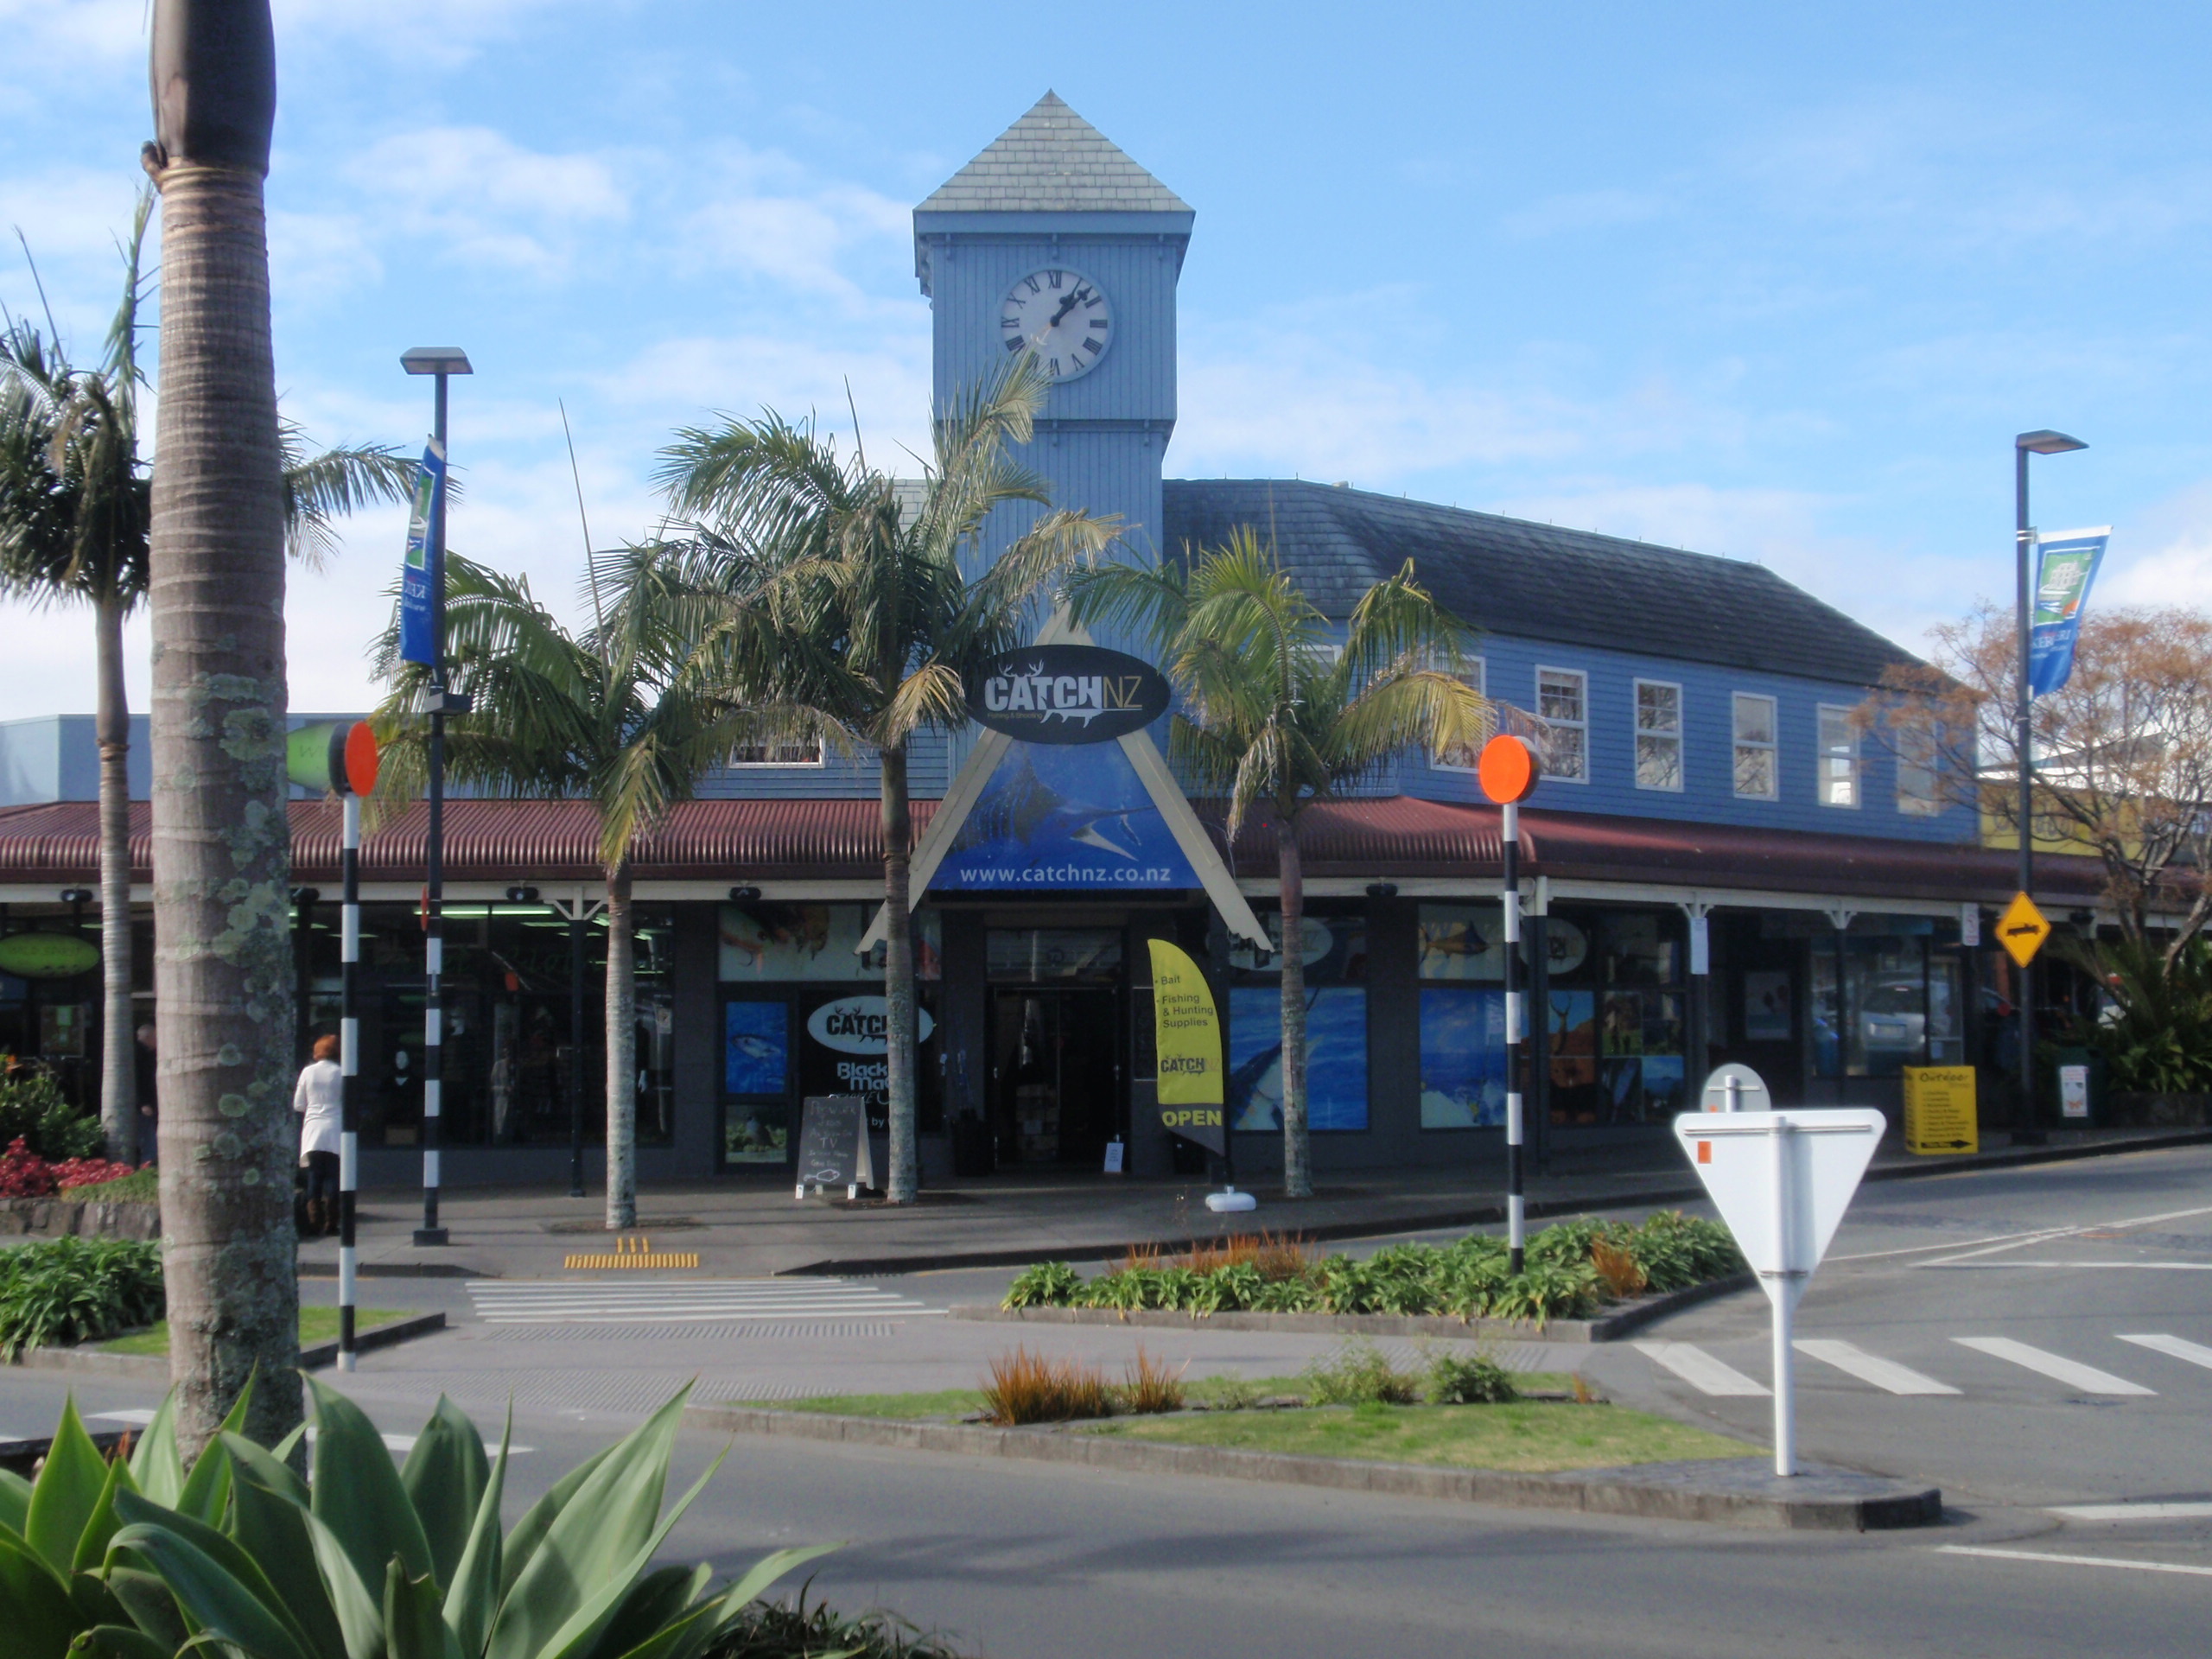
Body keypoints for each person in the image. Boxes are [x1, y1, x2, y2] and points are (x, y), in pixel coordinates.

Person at [294, 1033, 343, 1237]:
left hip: (313, 1129)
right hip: (335, 1129)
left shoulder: (307, 1072)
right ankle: (332, 1223)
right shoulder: (342, 1072)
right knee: (333, 1177)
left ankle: (314, 1222)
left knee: (314, 1176)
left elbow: (298, 1104)